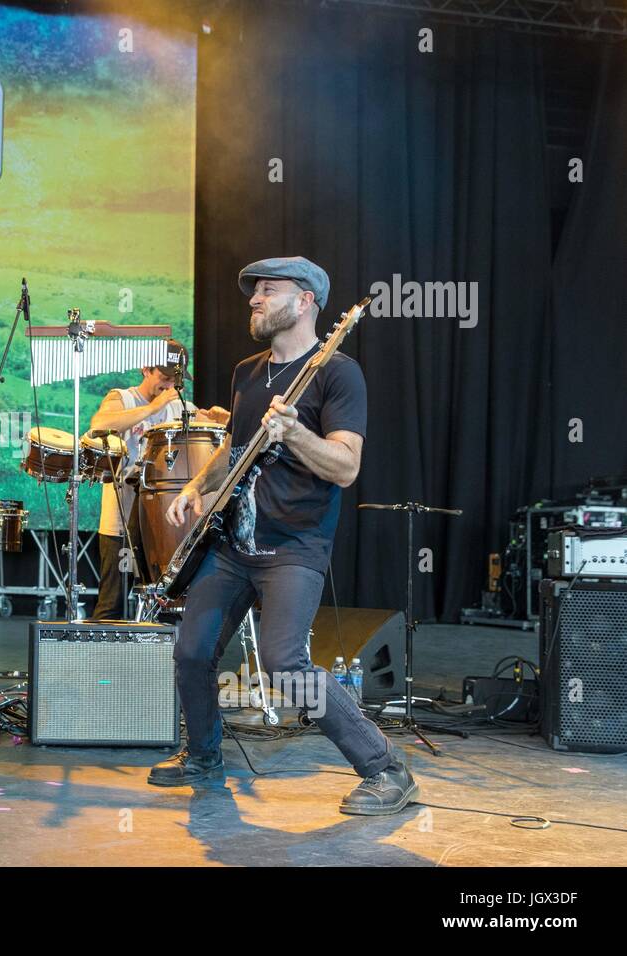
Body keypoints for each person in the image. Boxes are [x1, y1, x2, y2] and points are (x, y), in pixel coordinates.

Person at [150, 256, 419, 816]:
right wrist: (197, 485)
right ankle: (201, 756)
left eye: (268, 291)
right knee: (192, 651)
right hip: (232, 544)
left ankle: (386, 768)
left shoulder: (338, 373)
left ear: (305, 301)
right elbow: (235, 446)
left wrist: (295, 432)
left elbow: (345, 467)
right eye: (255, 292)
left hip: (294, 546)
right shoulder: (247, 371)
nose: (254, 300)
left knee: (283, 664)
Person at [87, 340, 226, 620]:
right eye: (164, 378)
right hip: (122, 512)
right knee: (111, 601)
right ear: (145, 369)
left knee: (165, 596)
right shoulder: (122, 398)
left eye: (175, 380)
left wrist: (222, 421)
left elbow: (213, 433)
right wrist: (154, 407)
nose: (169, 386)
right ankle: (101, 659)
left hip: (164, 521)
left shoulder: (180, 406)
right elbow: (99, 425)